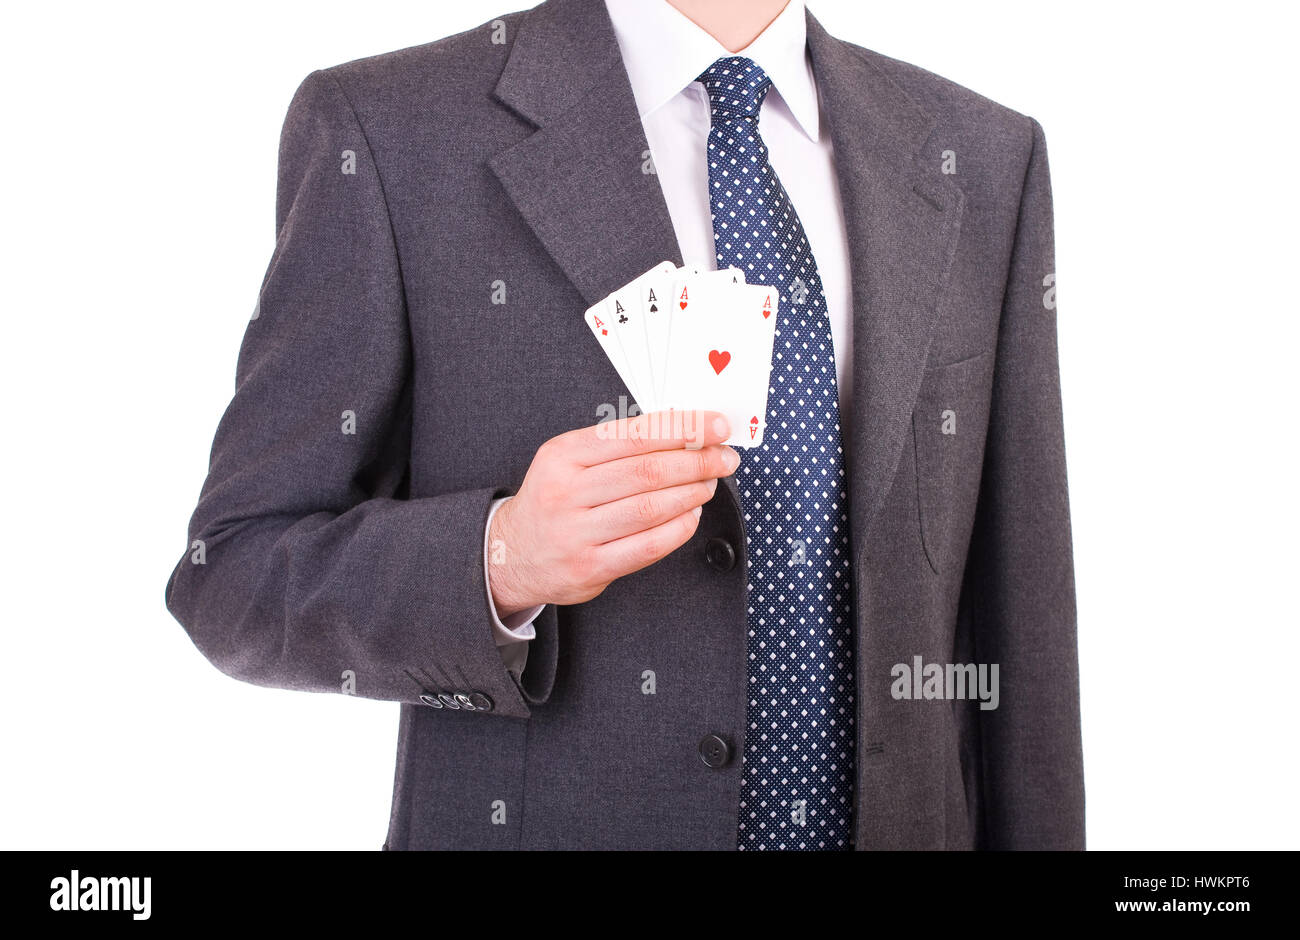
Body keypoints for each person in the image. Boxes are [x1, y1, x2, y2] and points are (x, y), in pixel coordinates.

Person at [166, 0, 1084, 850]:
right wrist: (500, 558)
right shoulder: (390, 129)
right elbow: (235, 573)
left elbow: (1023, 620)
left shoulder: (981, 155)